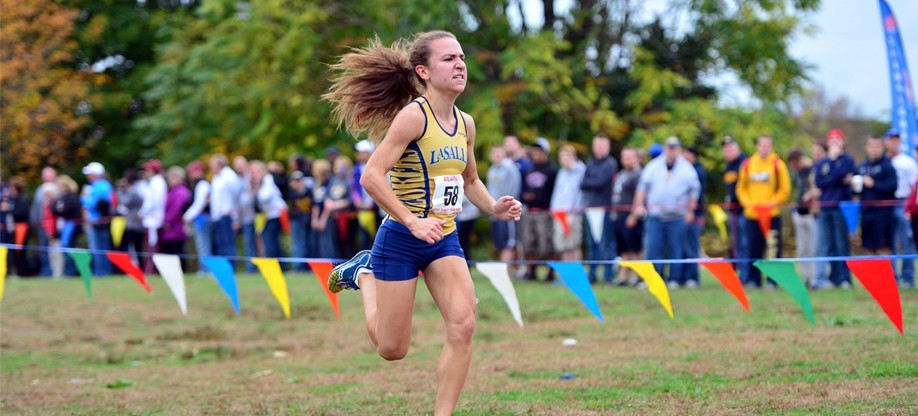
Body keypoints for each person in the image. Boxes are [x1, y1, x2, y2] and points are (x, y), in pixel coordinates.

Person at [322, 31, 522, 416]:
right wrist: (413, 221)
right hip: (401, 237)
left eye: (462, 57)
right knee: (392, 349)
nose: (460, 64)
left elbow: (470, 180)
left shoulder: (466, 123)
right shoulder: (413, 116)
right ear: (423, 71)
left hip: (444, 238)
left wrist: (494, 206)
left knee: (463, 326)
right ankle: (363, 275)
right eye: (448, 58)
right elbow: (371, 176)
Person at [632, 137, 700, 287]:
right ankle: (654, 280)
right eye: (669, 147)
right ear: (664, 148)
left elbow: (694, 190)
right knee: (653, 248)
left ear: (679, 149)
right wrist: (638, 205)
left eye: (674, 147)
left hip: (677, 216)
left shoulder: (687, 168)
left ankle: (675, 279)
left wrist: (690, 211)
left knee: (677, 249)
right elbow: (642, 187)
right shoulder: (653, 166)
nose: (671, 150)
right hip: (655, 216)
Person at [736, 136, 791, 288]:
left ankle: (773, 280)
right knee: (753, 248)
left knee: (773, 248)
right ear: (757, 146)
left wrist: (773, 202)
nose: (765, 148)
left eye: (768, 145)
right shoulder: (748, 164)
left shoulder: (777, 165)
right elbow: (741, 188)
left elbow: (785, 189)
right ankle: (754, 280)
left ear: (771, 147)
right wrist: (748, 203)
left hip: (771, 215)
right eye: (762, 145)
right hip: (752, 215)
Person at [814, 129, 856, 289]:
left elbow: (840, 174)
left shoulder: (848, 159)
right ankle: (834, 278)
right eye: (832, 140)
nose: (835, 142)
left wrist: (832, 173)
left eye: (838, 139)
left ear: (843, 142)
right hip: (826, 207)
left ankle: (845, 278)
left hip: (842, 207)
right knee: (830, 245)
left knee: (841, 244)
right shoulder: (823, 161)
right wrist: (833, 171)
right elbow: (820, 181)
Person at [579, 134, 618, 283]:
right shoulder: (590, 163)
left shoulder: (610, 163)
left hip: (605, 208)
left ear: (607, 147)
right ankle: (593, 274)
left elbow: (601, 182)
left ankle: (608, 276)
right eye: (597, 145)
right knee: (592, 244)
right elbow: (582, 183)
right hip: (590, 208)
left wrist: (592, 182)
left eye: (602, 146)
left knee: (606, 244)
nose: (599, 149)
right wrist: (593, 182)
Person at [520, 137, 558, 281]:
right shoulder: (530, 169)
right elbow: (524, 188)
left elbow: (555, 191)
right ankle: (532, 271)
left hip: (545, 211)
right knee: (530, 243)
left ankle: (550, 273)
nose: (536, 154)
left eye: (539, 151)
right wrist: (525, 197)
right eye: (535, 151)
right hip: (530, 210)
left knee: (547, 244)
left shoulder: (552, 170)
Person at [884, 129, 917, 288]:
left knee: (906, 242)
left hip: (903, 202)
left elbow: (913, 186)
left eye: (896, 139)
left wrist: (910, 207)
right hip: (886, 204)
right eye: (891, 139)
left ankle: (908, 278)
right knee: (889, 243)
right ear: (886, 142)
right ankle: (892, 279)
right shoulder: (884, 161)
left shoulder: (908, 162)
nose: (894, 142)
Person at [856, 136, 898, 256]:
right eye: (872, 146)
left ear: (882, 148)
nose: (874, 149)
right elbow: (856, 190)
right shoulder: (862, 166)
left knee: (885, 248)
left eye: (877, 146)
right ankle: (873, 275)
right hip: (867, 213)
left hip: (883, 214)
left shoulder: (887, 165)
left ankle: (888, 275)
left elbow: (893, 186)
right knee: (869, 249)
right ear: (867, 147)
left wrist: (874, 184)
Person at [786, 148, 820, 286]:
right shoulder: (797, 173)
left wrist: (811, 195)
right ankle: (806, 278)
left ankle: (815, 278)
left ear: (799, 160)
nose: (794, 168)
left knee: (813, 248)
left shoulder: (815, 169)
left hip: (812, 215)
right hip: (799, 214)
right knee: (802, 249)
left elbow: (819, 188)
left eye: (794, 165)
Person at [486, 145, 521, 272]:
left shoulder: (510, 169)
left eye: (499, 153)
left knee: (509, 242)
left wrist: (508, 207)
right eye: (494, 153)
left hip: (507, 211)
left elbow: (514, 189)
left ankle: (507, 272)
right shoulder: (492, 170)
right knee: (500, 242)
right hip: (495, 212)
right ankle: (508, 271)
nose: (497, 155)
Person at [721, 136, 750, 282]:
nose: (728, 151)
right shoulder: (728, 166)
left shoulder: (745, 163)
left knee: (745, 244)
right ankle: (739, 274)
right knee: (736, 245)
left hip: (745, 211)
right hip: (733, 211)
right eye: (725, 149)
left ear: (737, 148)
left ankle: (746, 275)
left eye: (731, 148)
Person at [615, 147, 644, 286]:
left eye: (629, 157)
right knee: (624, 248)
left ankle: (638, 276)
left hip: (631, 215)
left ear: (636, 158)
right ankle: (624, 276)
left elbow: (639, 197)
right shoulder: (622, 173)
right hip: (619, 215)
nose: (626, 160)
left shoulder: (639, 174)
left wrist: (633, 215)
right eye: (624, 157)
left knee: (635, 247)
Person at [551, 144, 586, 262]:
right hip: (559, 213)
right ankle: (567, 273)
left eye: (567, 157)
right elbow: (557, 192)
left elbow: (580, 194)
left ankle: (576, 271)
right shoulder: (561, 172)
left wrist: (574, 212)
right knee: (563, 245)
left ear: (573, 157)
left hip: (573, 213)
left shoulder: (581, 171)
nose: (564, 160)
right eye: (562, 157)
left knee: (574, 243)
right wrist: (553, 208)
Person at [81, 162, 113, 276]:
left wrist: (86, 201)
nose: (88, 176)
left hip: (99, 222)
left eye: (90, 173)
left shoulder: (102, 186)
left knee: (100, 247)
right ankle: (100, 270)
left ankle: (102, 271)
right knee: (97, 247)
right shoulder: (94, 186)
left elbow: (93, 203)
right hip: (94, 220)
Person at [681, 146, 706, 288]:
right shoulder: (685, 170)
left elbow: (696, 195)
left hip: (694, 215)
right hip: (683, 215)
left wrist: (691, 211)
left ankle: (693, 277)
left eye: (686, 154)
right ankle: (684, 277)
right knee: (683, 248)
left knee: (692, 248)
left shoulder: (697, 171)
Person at [209, 154, 242, 265]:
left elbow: (236, 197)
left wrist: (235, 217)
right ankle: (223, 267)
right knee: (220, 243)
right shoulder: (216, 177)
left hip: (227, 215)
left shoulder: (229, 176)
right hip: (217, 216)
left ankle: (231, 266)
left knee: (228, 243)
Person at [251, 161, 287, 259]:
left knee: (270, 240)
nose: (253, 174)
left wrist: (257, 187)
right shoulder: (257, 184)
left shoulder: (268, 179)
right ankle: (279, 265)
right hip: (267, 216)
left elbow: (264, 197)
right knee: (271, 240)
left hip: (276, 214)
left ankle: (275, 264)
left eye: (255, 171)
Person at [183, 161, 212, 274]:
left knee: (203, 244)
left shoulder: (202, 184)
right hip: (200, 218)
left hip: (202, 219)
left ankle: (205, 268)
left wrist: (187, 216)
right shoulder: (198, 184)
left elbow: (199, 204)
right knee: (202, 244)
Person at [51, 175, 82, 277]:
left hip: (71, 227)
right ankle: (68, 271)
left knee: (70, 249)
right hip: (64, 227)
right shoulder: (61, 198)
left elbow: (66, 210)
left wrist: (59, 210)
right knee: (65, 249)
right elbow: (54, 209)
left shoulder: (72, 197)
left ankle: (71, 272)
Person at [139, 159, 167, 271]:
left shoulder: (156, 182)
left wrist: (143, 211)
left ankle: (152, 268)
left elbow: (152, 201)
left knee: (152, 245)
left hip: (153, 218)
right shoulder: (153, 182)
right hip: (152, 218)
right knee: (150, 244)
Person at [30, 167, 58, 277]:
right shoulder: (39, 190)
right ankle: (46, 271)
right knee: (43, 248)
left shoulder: (57, 189)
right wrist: (35, 221)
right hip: (42, 224)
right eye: (46, 176)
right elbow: (36, 207)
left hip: (55, 225)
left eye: (50, 175)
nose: (48, 178)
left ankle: (57, 271)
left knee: (55, 248)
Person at [161, 166, 190, 266]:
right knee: (171, 249)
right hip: (172, 227)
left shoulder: (181, 192)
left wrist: (168, 221)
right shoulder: (173, 191)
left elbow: (176, 208)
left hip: (176, 226)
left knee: (177, 249)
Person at [352, 140, 378, 251]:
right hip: (362, 209)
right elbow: (354, 187)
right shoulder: (357, 169)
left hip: (375, 209)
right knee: (364, 237)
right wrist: (357, 200)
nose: (358, 155)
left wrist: (372, 203)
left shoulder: (376, 166)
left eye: (361, 152)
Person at [234, 156, 258, 272]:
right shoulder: (237, 180)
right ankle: (250, 266)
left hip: (254, 216)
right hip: (244, 217)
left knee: (253, 242)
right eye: (237, 164)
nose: (239, 167)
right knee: (247, 242)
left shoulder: (250, 178)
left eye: (241, 164)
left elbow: (248, 199)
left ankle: (253, 267)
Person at [116, 169, 145, 267]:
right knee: (134, 247)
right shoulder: (136, 189)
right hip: (132, 223)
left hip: (135, 224)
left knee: (137, 247)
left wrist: (121, 189)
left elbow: (125, 201)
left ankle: (139, 267)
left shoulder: (134, 191)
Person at [287, 170, 313, 271]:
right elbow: (291, 210)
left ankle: (307, 267)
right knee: (298, 244)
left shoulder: (309, 192)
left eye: (299, 181)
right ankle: (298, 267)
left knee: (308, 244)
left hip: (308, 222)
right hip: (297, 221)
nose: (297, 183)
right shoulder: (292, 194)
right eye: (295, 181)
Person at [311, 159, 337, 259]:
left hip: (328, 217)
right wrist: (314, 219)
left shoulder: (330, 182)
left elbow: (328, 204)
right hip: (319, 217)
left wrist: (322, 220)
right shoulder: (317, 184)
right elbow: (316, 203)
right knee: (320, 243)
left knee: (328, 243)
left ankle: (330, 265)